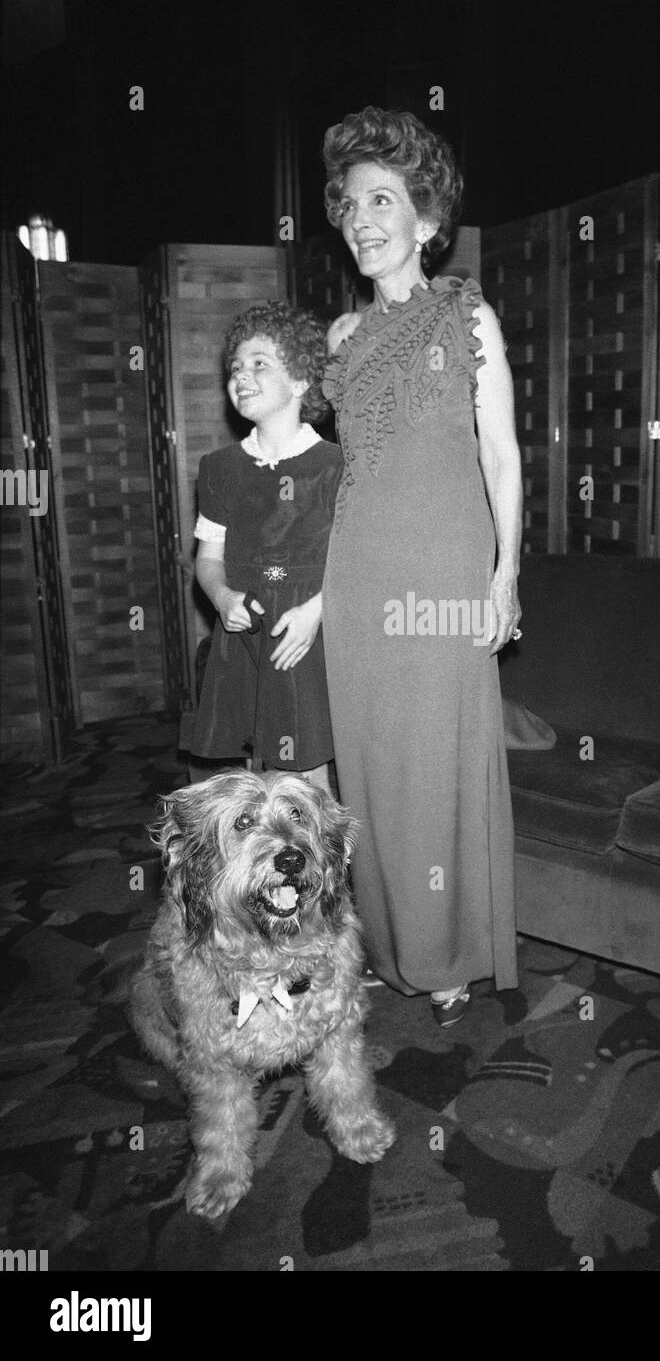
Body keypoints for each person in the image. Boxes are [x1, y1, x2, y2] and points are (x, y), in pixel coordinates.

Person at [320, 106, 523, 1027]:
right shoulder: (337, 342)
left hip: (444, 572)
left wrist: (506, 572)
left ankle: (444, 952)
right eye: (350, 202)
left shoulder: (468, 314)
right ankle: (389, 943)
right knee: (368, 764)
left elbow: (502, 455)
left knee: (435, 761)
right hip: (357, 573)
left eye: (383, 199)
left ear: (427, 220)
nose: (363, 218)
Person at [190, 303, 343, 791]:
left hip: (308, 633)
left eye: (260, 363)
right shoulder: (219, 468)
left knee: (308, 774)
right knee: (252, 780)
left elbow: (360, 562)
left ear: (300, 381)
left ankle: (323, 866)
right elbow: (208, 558)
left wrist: (317, 610)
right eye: (235, 367)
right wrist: (221, 597)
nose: (242, 376)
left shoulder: (337, 465)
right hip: (244, 635)